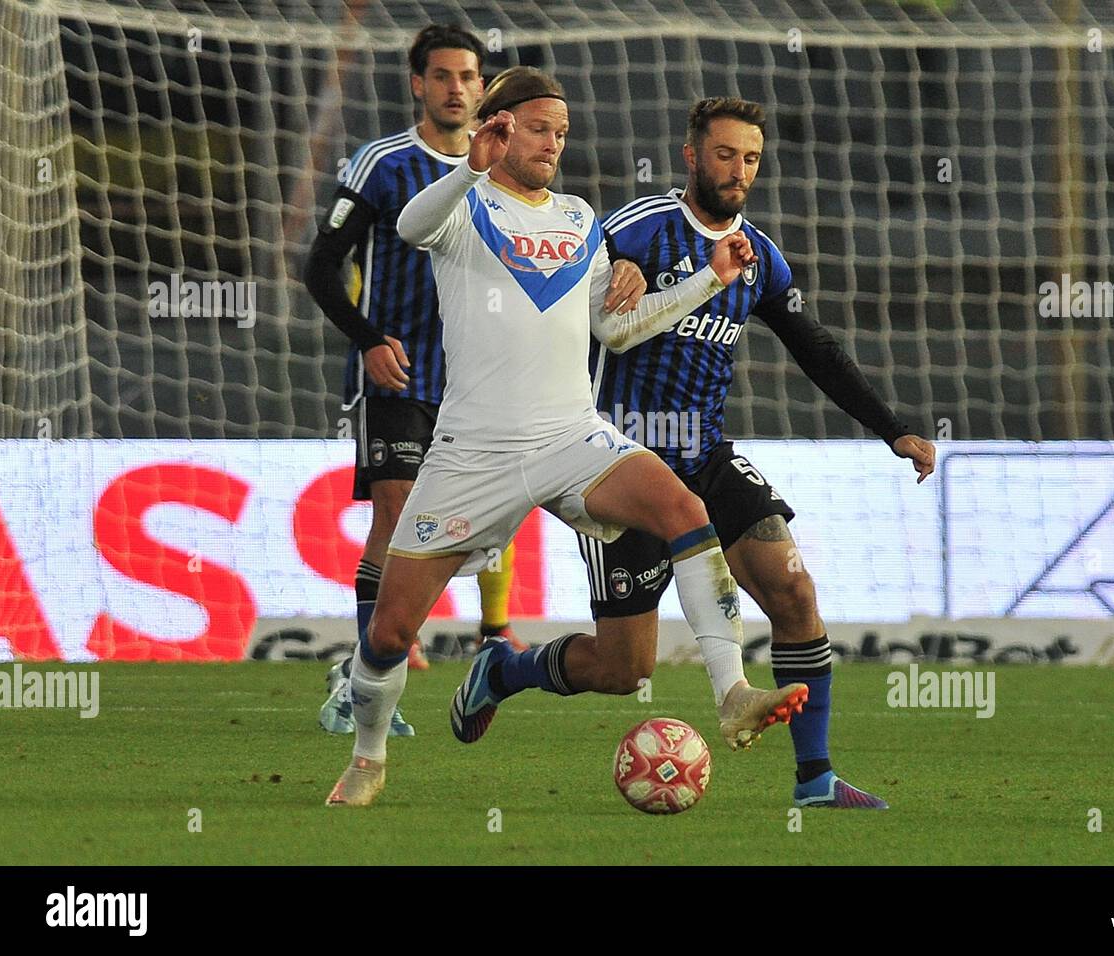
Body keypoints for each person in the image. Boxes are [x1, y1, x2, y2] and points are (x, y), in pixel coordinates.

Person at [326, 68, 806, 807]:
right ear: (500, 127)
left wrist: (706, 280)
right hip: (474, 452)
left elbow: (613, 329)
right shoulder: (463, 202)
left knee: (685, 511)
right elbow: (409, 227)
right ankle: (367, 757)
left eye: (562, 132)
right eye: (541, 128)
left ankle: (733, 689)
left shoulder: (580, 219)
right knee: (389, 633)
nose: (554, 143)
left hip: (570, 435)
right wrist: (469, 166)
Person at [578, 97, 939, 809]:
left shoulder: (760, 257)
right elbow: (581, 299)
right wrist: (608, 270)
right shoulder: (637, 230)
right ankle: (504, 671)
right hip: (619, 463)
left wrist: (892, 427)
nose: (739, 170)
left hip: (706, 456)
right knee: (624, 668)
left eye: (750, 158)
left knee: (793, 589)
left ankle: (816, 780)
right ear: (691, 156)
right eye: (724, 155)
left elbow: (816, 349)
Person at [303, 26, 645, 735]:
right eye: (442, 76)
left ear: (486, 91)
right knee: (397, 514)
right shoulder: (385, 163)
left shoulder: (521, 177)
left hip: (489, 382)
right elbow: (320, 264)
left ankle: (494, 637)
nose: (456, 87)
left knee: (501, 500)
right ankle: (374, 670)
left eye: (468, 76)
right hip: (402, 372)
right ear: (418, 84)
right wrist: (367, 341)